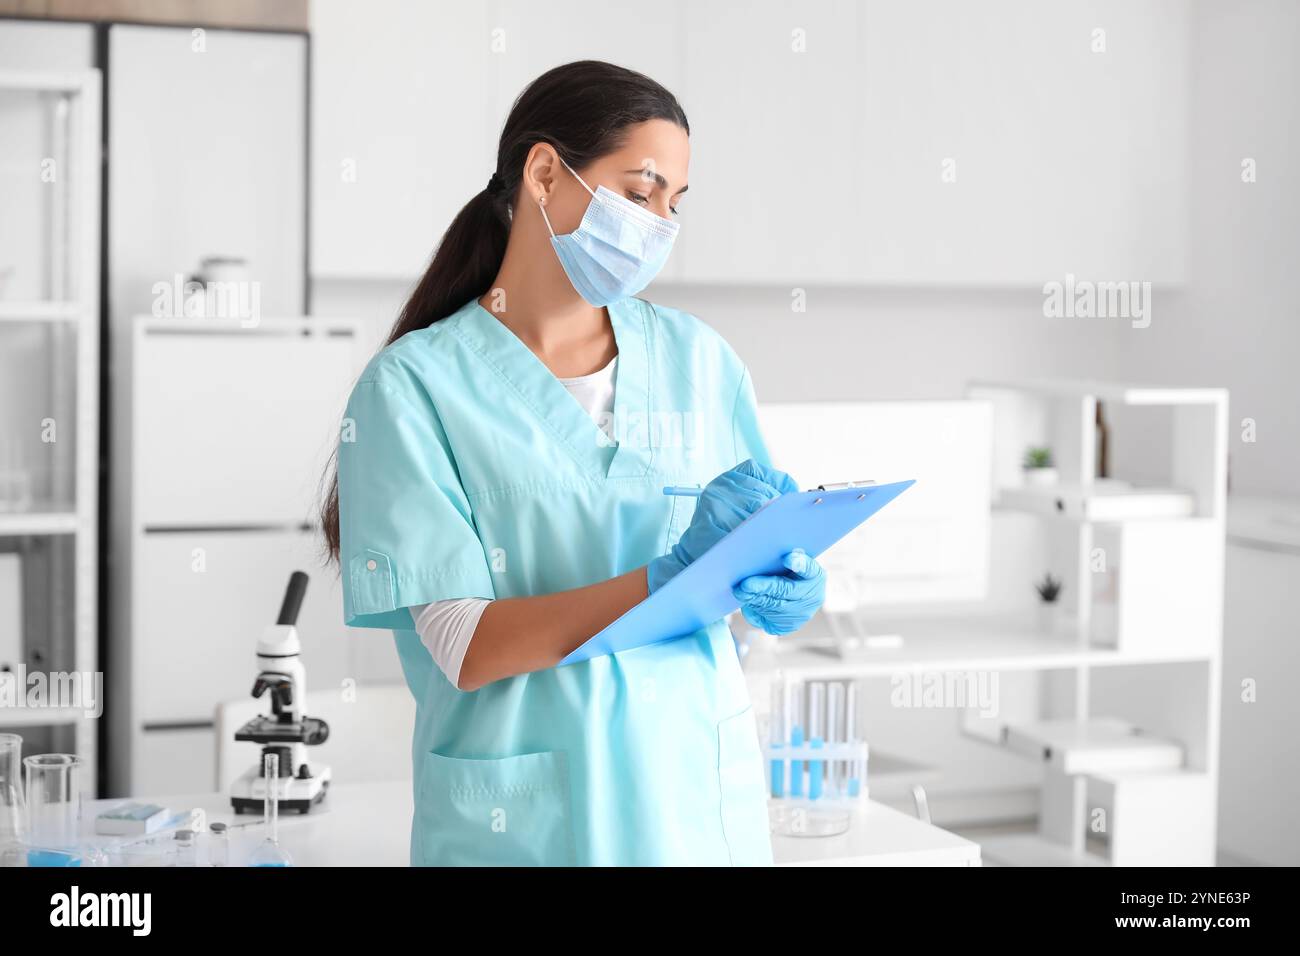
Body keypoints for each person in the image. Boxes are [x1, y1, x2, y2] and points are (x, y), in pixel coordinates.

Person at [320, 60, 826, 866]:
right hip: (531, 829)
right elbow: (465, 643)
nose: (660, 223)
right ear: (546, 174)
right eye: (639, 191)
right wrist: (662, 581)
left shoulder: (701, 362)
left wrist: (771, 590)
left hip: (694, 811)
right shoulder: (415, 388)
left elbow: (735, 607)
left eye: (673, 203)